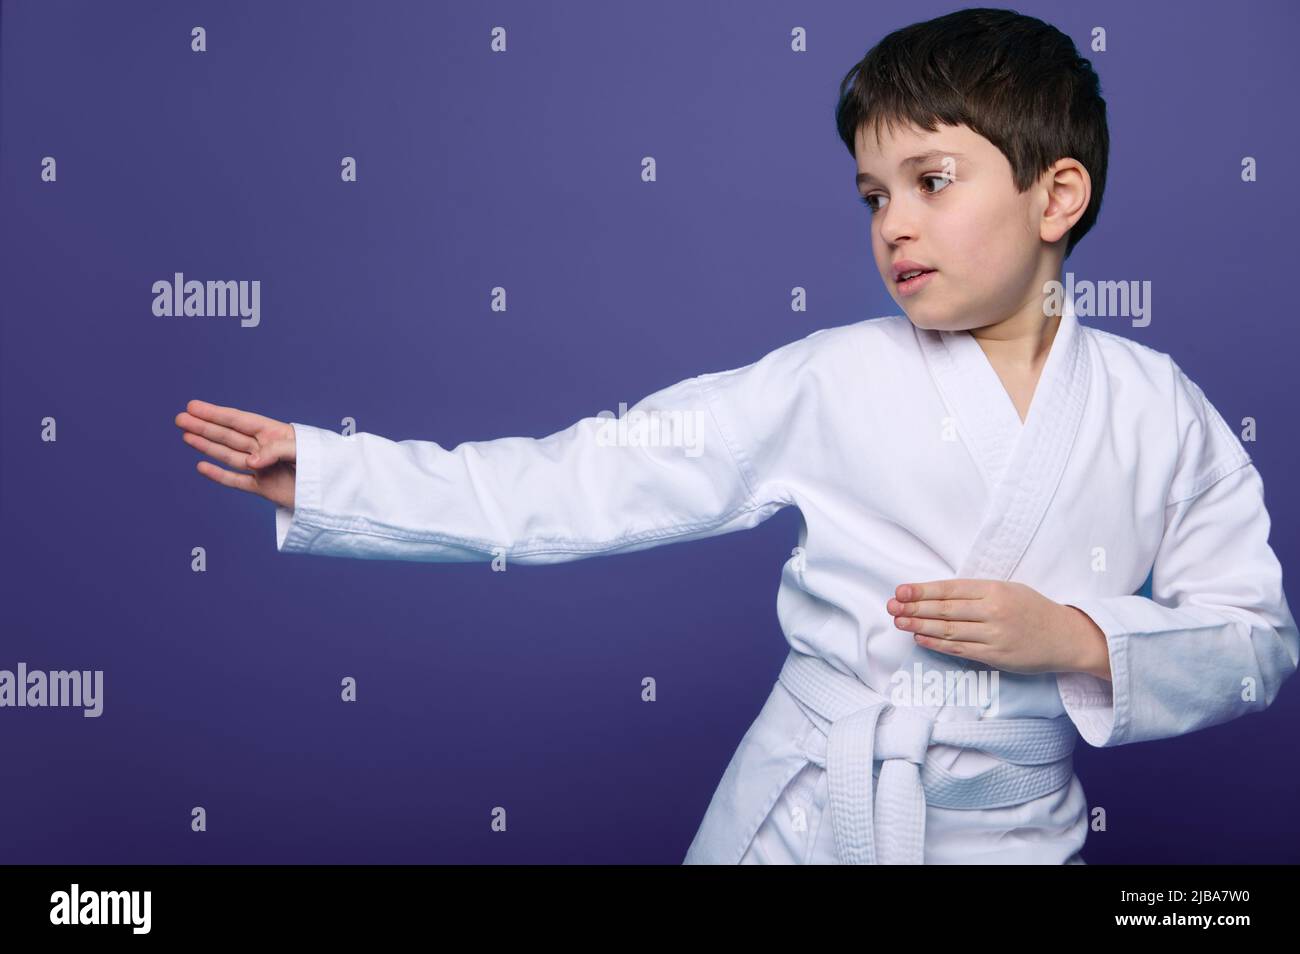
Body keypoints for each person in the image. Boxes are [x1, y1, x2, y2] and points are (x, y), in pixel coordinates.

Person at [174, 8, 1298, 864]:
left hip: (1014, 835)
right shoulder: (829, 379)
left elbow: (1254, 645)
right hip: (810, 815)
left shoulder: (1162, 412)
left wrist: (1080, 641)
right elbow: (583, 478)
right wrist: (334, 476)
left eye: (931, 179)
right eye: (871, 196)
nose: (893, 221)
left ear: (1056, 197)